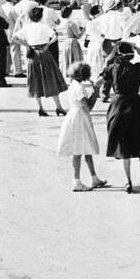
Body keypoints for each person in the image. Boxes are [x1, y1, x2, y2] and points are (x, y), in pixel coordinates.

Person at [101, 42, 140, 194]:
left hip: (118, 107)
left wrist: (111, 56)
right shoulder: (136, 68)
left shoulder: (112, 68)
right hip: (134, 106)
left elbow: (98, 81)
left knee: (123, 147)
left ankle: (128, 182)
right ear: (131, 55)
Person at [58, 61, 109, 192]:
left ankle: (94, 177)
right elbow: (88, 107)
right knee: (78, 149)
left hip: (76, 116)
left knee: (85, 149)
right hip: (79, 118)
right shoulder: (79, 88)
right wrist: (96, 91)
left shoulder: (73, 85)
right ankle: (76, 181)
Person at [18, 5, 67, 116]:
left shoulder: (27, 27)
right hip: (44, 53)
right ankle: (58, 107)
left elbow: (15, 38)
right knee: (51, 79)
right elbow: (55, 36)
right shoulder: (44, 26)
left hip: (33, 54)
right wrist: (48, 44)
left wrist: (28, 45)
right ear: (40, 16)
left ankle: (40, 107)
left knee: (35, 80)